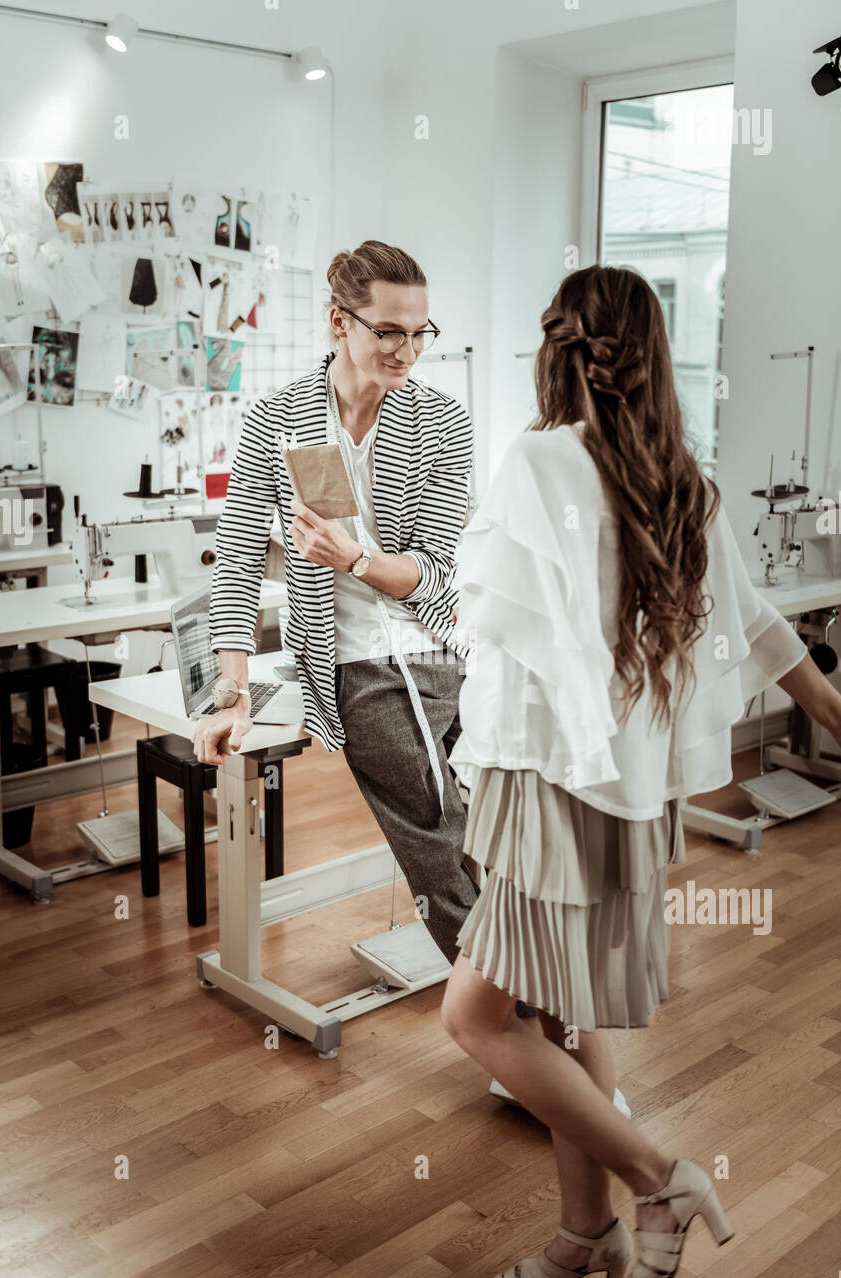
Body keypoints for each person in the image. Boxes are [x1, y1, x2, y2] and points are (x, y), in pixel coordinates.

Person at [440, 264, 841, 1278]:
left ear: (556, 352)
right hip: (629, 794)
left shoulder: (537, 461)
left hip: (549, 785)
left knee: (476, 1017)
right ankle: (583, 1242)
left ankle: (657, 1184)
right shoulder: (683, 479)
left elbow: (481, 613)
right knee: (566, 1016)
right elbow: (756, 626)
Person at [194, 240, 631, 1114]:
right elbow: (238, 558)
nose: (403, 350)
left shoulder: (438, 418)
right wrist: (230, 689)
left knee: (499, 853)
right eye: (386, 331)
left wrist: (356, 557)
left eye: (419, 332)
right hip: (351, 670)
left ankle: (553, 1057)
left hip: (445, 654)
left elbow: (441, 574)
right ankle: (556, 1071)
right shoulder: (277, 418)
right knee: (444, 854)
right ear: (338, 322)